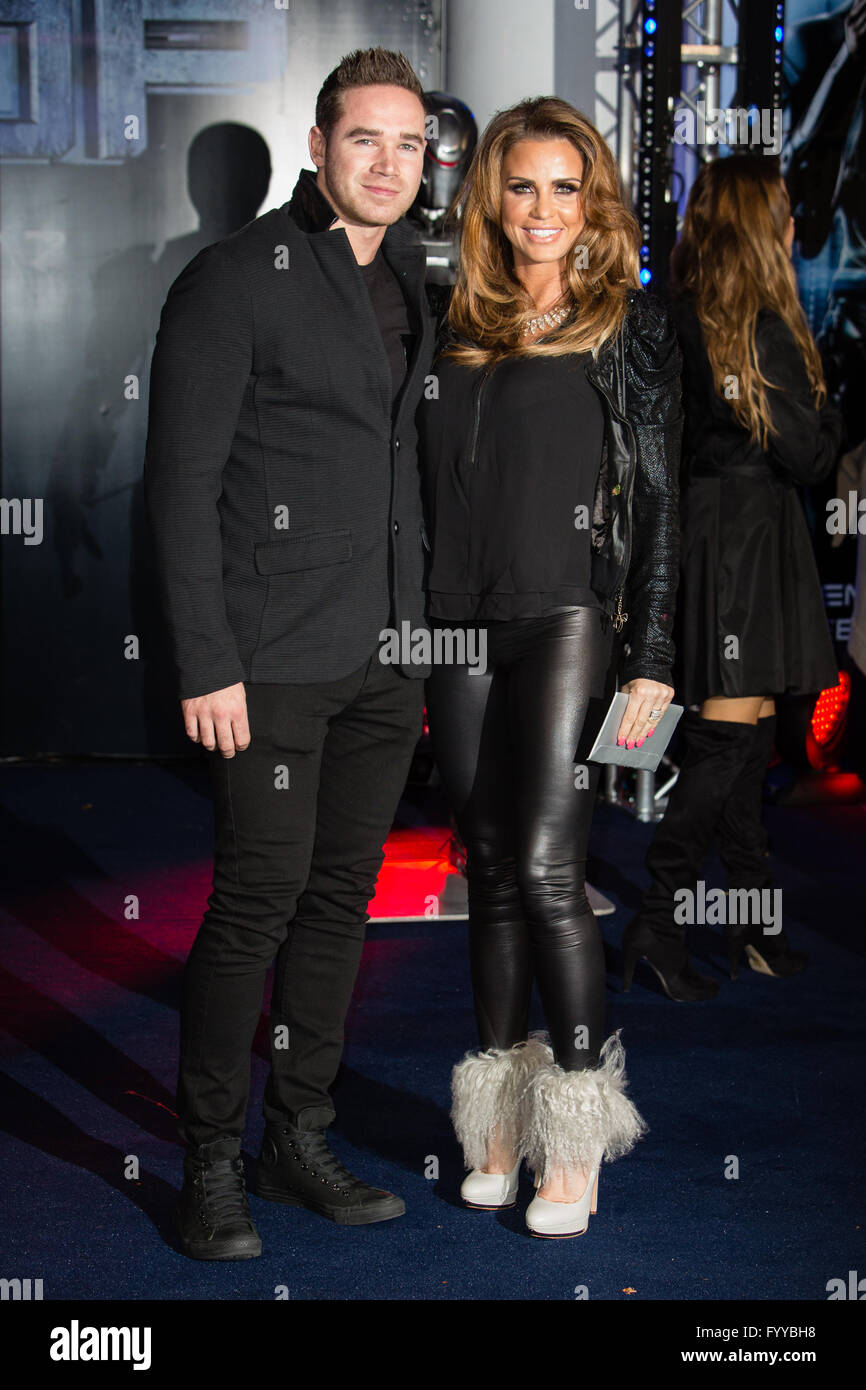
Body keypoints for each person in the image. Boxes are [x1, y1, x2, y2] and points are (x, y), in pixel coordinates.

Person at [144, 48, 435, 1259]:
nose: (388, 163)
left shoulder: (410, 276)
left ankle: (294, 1136)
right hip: (266, 659)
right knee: (257, 903)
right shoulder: (233, 279)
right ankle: (208, 1158)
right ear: (317, 144)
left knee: (339, 903)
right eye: (365, 138)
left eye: (410, 146)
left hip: (382, 654)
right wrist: (205, 661)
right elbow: (180, 483)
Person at [419, 97, 682, 1238]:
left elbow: (664, 502)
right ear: (492, 197)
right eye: (519, 186)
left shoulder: (626, 324)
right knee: (481, 862)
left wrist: (656, 654)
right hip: (455, 625)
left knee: (542, 865)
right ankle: (496, 1112)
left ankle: (571, 1130)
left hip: (570, 618)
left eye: (563, 188)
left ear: (593, 202)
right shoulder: (455, 320)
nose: (540, 210)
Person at [624, 155, 844, 1002]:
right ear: (765, 225)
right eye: (785, 212)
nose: (796, 226)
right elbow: (812, 453)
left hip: (722, 531)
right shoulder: (756, 326)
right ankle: (658, 917)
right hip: (746, 538)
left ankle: (752, 925)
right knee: (728, 743)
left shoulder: (686, 314)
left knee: (745, 739)